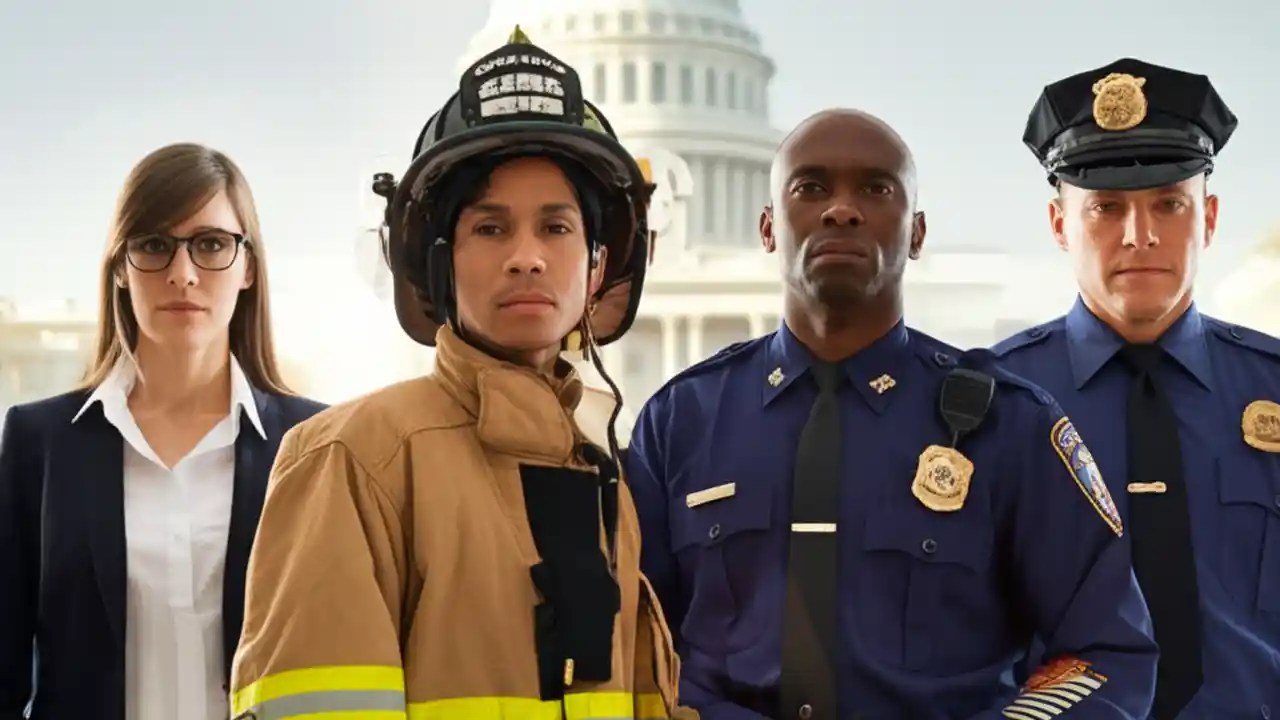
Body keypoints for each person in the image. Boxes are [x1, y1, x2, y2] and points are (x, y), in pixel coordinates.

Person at [625, 108, 1160, 719]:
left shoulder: (1009, 426)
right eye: (812, 188)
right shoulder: (681, 422)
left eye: (877, 189)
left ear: (917, 232)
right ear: (769, 227)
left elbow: (1106, 648)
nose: (842, 210)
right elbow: (635, 642)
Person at [229, 28, 693, 720]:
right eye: (490, 228)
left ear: (598, 267)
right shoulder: (354, 461)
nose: (527, 257)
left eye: (557, 229)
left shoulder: (603, 480)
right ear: (436, 263)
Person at [993, 57, 1280, 718]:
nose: (1140, 235)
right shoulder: (985, 405)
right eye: (1106, 207)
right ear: (1060, 224)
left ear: (1207, 218)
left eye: (1168, 204)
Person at [0, 142, 326, 720]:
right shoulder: (38, 442)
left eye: (210, 244)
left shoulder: (316, 443)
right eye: (153, 245)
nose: (182, 274)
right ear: (121, 269)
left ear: (248, 266)